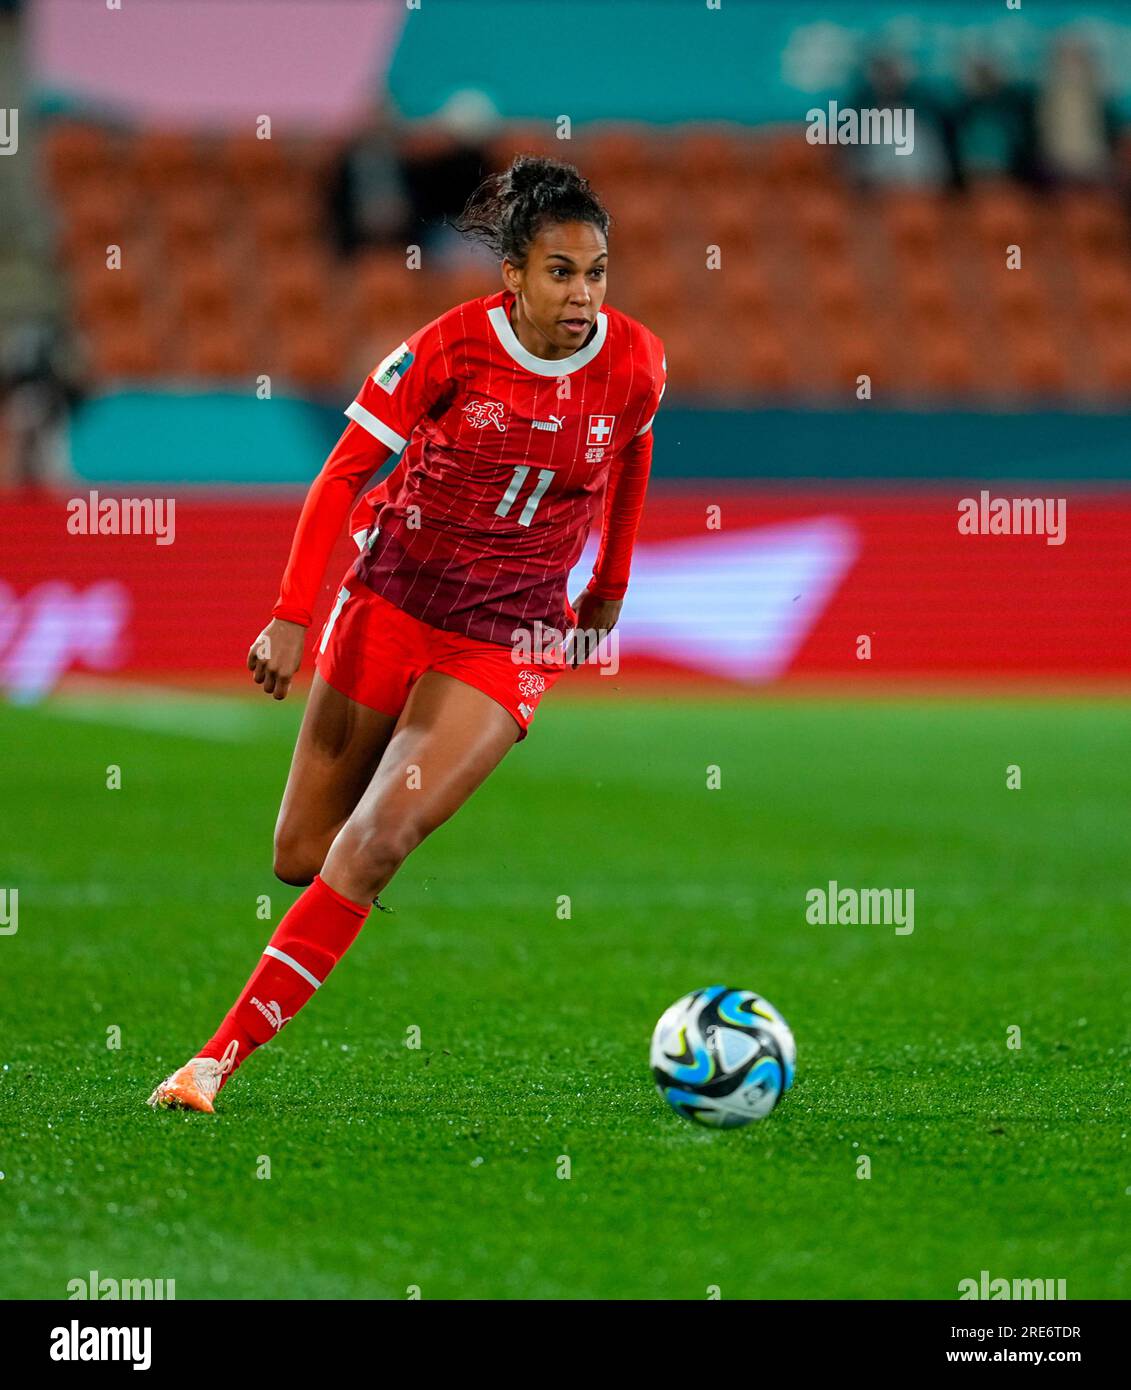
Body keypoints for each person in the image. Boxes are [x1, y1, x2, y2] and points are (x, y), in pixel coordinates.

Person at [147, 154, 667, 1113]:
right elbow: (341, 477)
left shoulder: (636, 360)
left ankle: (209, 1065)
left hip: (507, 638)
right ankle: (343, 882)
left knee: (380, 838)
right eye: (561, 272)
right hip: (389, 602)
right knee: (304, 855)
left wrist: (609, 586)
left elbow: (630, 448)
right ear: (513, 275)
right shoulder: (445, 350)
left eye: (597, 272)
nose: (584, 294)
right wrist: (291, 616)